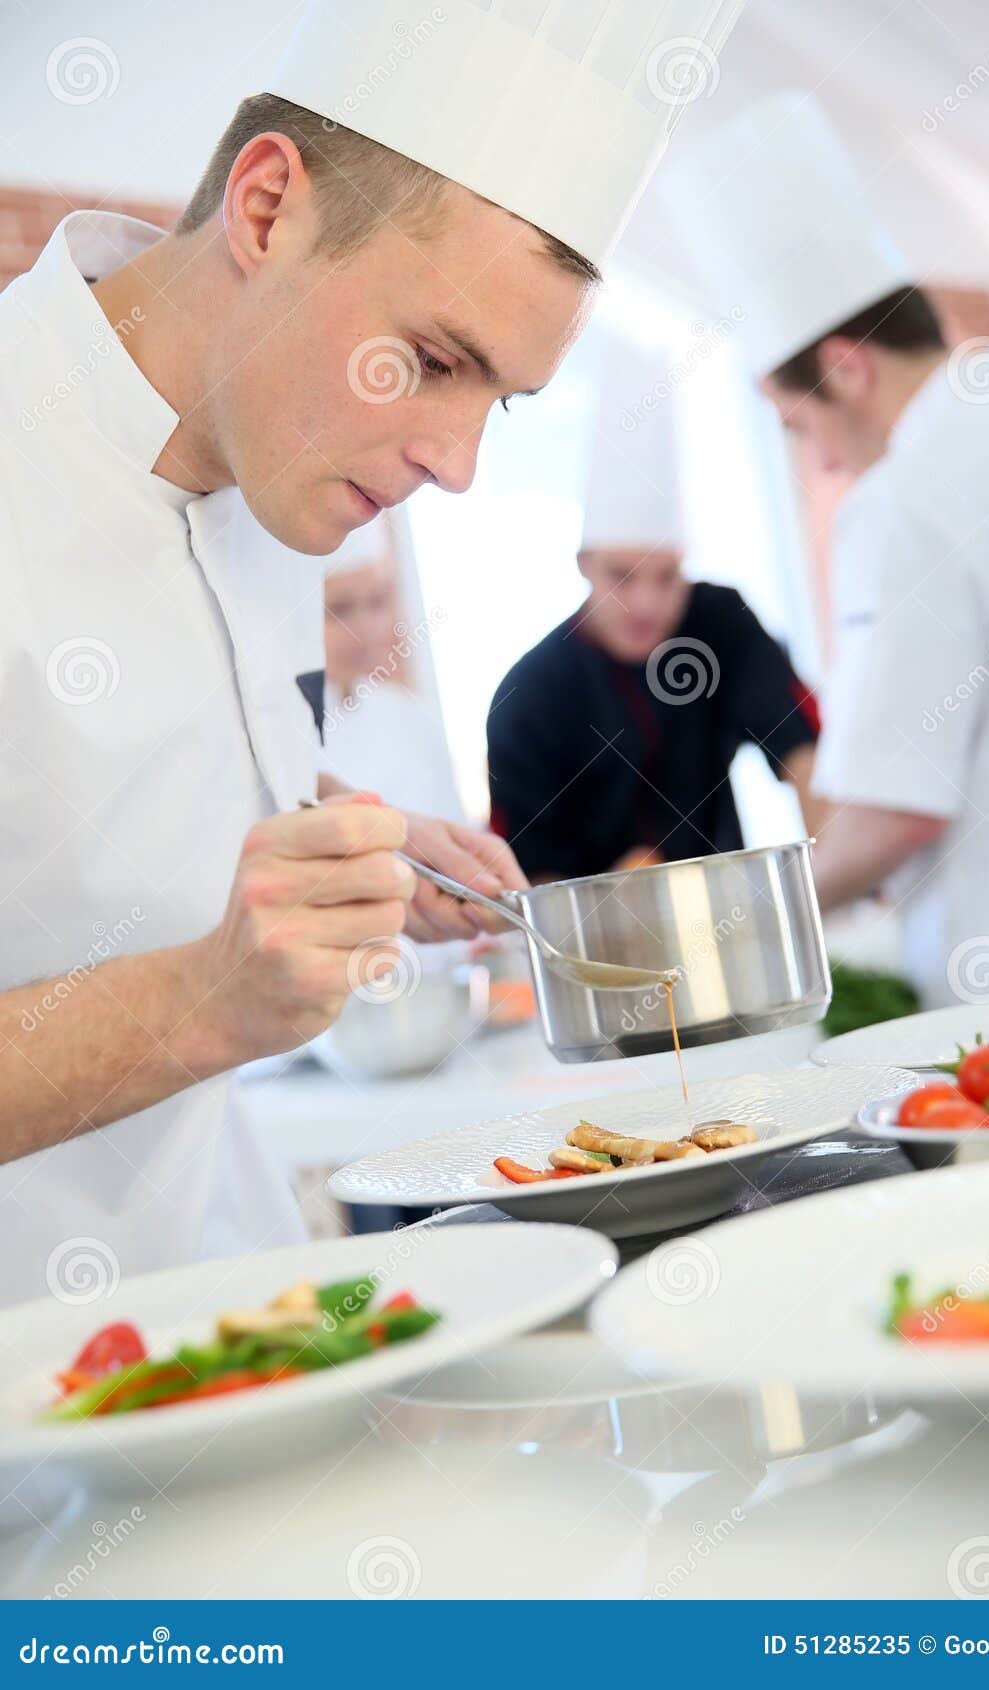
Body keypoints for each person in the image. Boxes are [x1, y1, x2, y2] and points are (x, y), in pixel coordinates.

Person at [0, 0, 739, 1302]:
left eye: (498, 402)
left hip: (229, 1315)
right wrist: (202, 1001)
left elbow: (115, 789)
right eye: (433, 360)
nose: (455, 465)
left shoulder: (268, 457)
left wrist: (359, 839)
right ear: (267, 208)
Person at [688, 91, 989, 1005]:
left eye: (799, 424)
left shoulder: (903, 500)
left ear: (846, 367)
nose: (820, 460)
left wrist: (738, 938)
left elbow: (897, 810)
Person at [487, 348, 820, 882]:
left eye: (667, 577)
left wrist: (832, 877)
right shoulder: (528, 695)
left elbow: (803, 754)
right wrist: (616, 896)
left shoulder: (720, 622)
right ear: (582, 564)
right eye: (621, 576)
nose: (646, 604)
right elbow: (526, 875)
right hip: (598, 931)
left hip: (729, 905)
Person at [320, 522, 463, 822]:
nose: (365, 629)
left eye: (376, 602)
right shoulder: (283, 728)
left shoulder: (410, 715)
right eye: (340, 609)